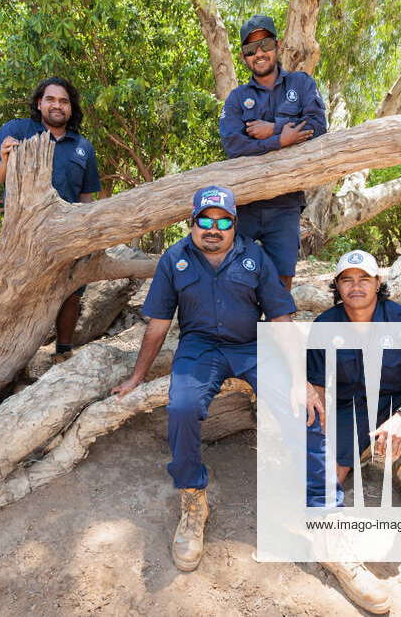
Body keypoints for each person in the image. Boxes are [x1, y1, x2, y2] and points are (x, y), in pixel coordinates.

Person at [112, 185, 315, 572]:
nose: (213, 229)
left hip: (252, 346)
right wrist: (138, 375)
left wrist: (299, 378)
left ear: (235, 225)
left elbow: (280, 318)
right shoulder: (174, 259)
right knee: (182, 408)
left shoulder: (255, 256)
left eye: (223, 222)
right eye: (205, 220)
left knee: (301, 407)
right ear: (192, 222)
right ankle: (193, 498)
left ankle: (310, 498)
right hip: (200, 347)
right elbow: (158, 324)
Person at [305, 249, 401, 613]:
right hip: (351, 407)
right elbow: (318, 385)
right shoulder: (325, 324)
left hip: (399, 403)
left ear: (378, 283)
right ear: (337, 286)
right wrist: (320, 429)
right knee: (327, 476)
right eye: (347, 279)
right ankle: (355, 456)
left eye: (364, 279)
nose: (356, 286)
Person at [0, 76, 101, 363]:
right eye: (51, 99)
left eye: (64, 101)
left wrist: (89, 236)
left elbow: (86, 196)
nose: (57, 105)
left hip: (68, 233)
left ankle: (63, 352)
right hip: (24, 234)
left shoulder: (83, 147)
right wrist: (5, 159)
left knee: (71, 293)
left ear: (71, 108)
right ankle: (8, 360)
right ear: (39, 103)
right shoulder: (17, 131)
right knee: (18, 294)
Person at [219, 14, 328, 290]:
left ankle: (275, 320)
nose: (259, 53)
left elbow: (317, 126)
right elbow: (233, 146)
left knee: (281, 282)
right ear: (244, 56)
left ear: (277, 46)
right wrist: (281, 141)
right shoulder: (236, 99)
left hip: (285, 204)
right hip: (245, 203)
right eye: (250, 49)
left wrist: (273, 129)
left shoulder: (301, 84)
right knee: (237, 281)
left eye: (265, 44)